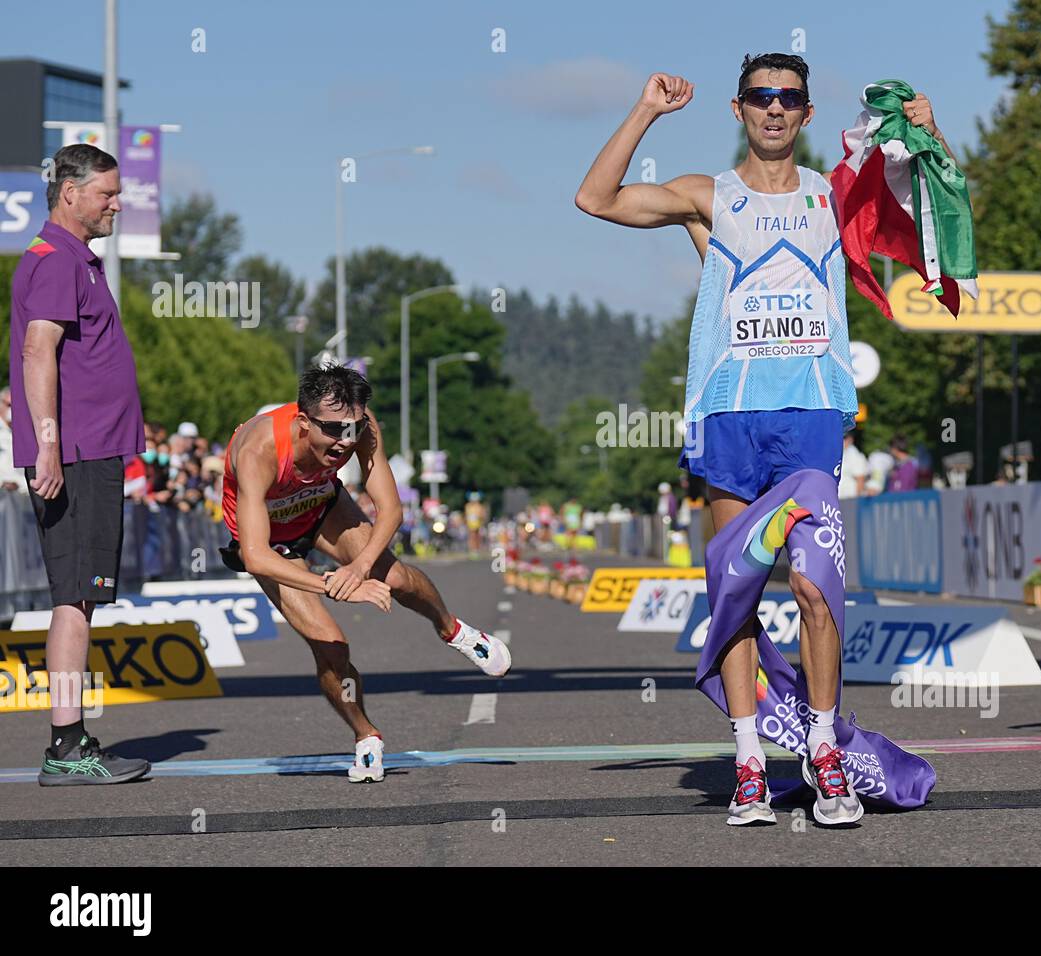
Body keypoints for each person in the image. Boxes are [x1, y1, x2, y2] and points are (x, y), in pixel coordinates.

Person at [577, 53, 948, 826]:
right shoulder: (708, 197)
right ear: (739, 109)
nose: (774, 109)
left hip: (810, 414)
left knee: (815, 587)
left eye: (788, 99)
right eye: (760, 97)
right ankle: (749, 759)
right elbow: (595, 198)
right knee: (737, 593)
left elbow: (925, 223)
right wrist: (645, 110)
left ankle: (822, 752)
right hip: (728, 419)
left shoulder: (835, 194)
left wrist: (930, 139)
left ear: (808, 115)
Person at [220, 364, 511, 782]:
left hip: (320, 507)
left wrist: (358, 568)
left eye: (353, 430)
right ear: (303, 423)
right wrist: (333, 586)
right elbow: (256, 556)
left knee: (395, 577)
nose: (344, 442)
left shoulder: (361, 426)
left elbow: (391, 509)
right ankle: (366, 735)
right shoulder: (258, 450)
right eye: (334, 431)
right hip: (271, 540)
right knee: (331, 644)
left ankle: (453, 630)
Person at [8, 143, 150, 785]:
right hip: (76, 456)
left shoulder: (76, 261)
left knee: (81, 599)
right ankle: (66, 745)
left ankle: (72, 738)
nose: (117, 203)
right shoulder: (54, 262)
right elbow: (39, 352)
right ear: (70, 192)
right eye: (107, 194)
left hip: (90, 453)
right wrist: (47, 444)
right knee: (74, 597)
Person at [838, 429, 869, 499]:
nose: (842, 441)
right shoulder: (839, 453)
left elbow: (860, 479)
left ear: (850, 439)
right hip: (838, 499)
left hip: (849, 498)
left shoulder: (855, 456)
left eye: (844, 438)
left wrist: (858, 500)